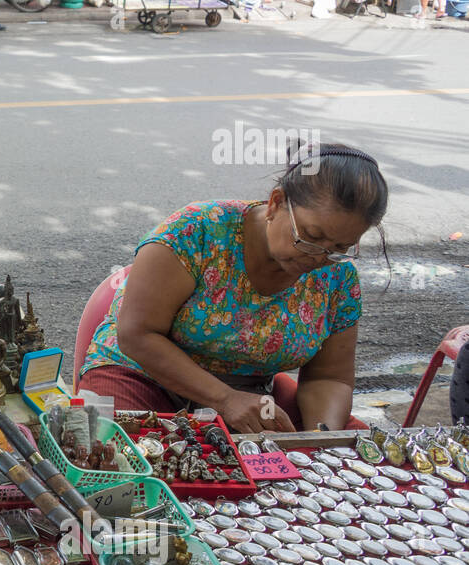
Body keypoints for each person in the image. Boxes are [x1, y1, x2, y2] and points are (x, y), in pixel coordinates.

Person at [79, 144, 389, 433]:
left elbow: (328, 377)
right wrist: (224, 399)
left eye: (339, 247)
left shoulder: (338, 276)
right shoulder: (195, 232)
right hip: (142, 376)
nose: (319, 256)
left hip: (251, 396)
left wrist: (320, 440)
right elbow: (137, 334)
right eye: (309, 235)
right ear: (276, 203)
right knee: (120, 464)